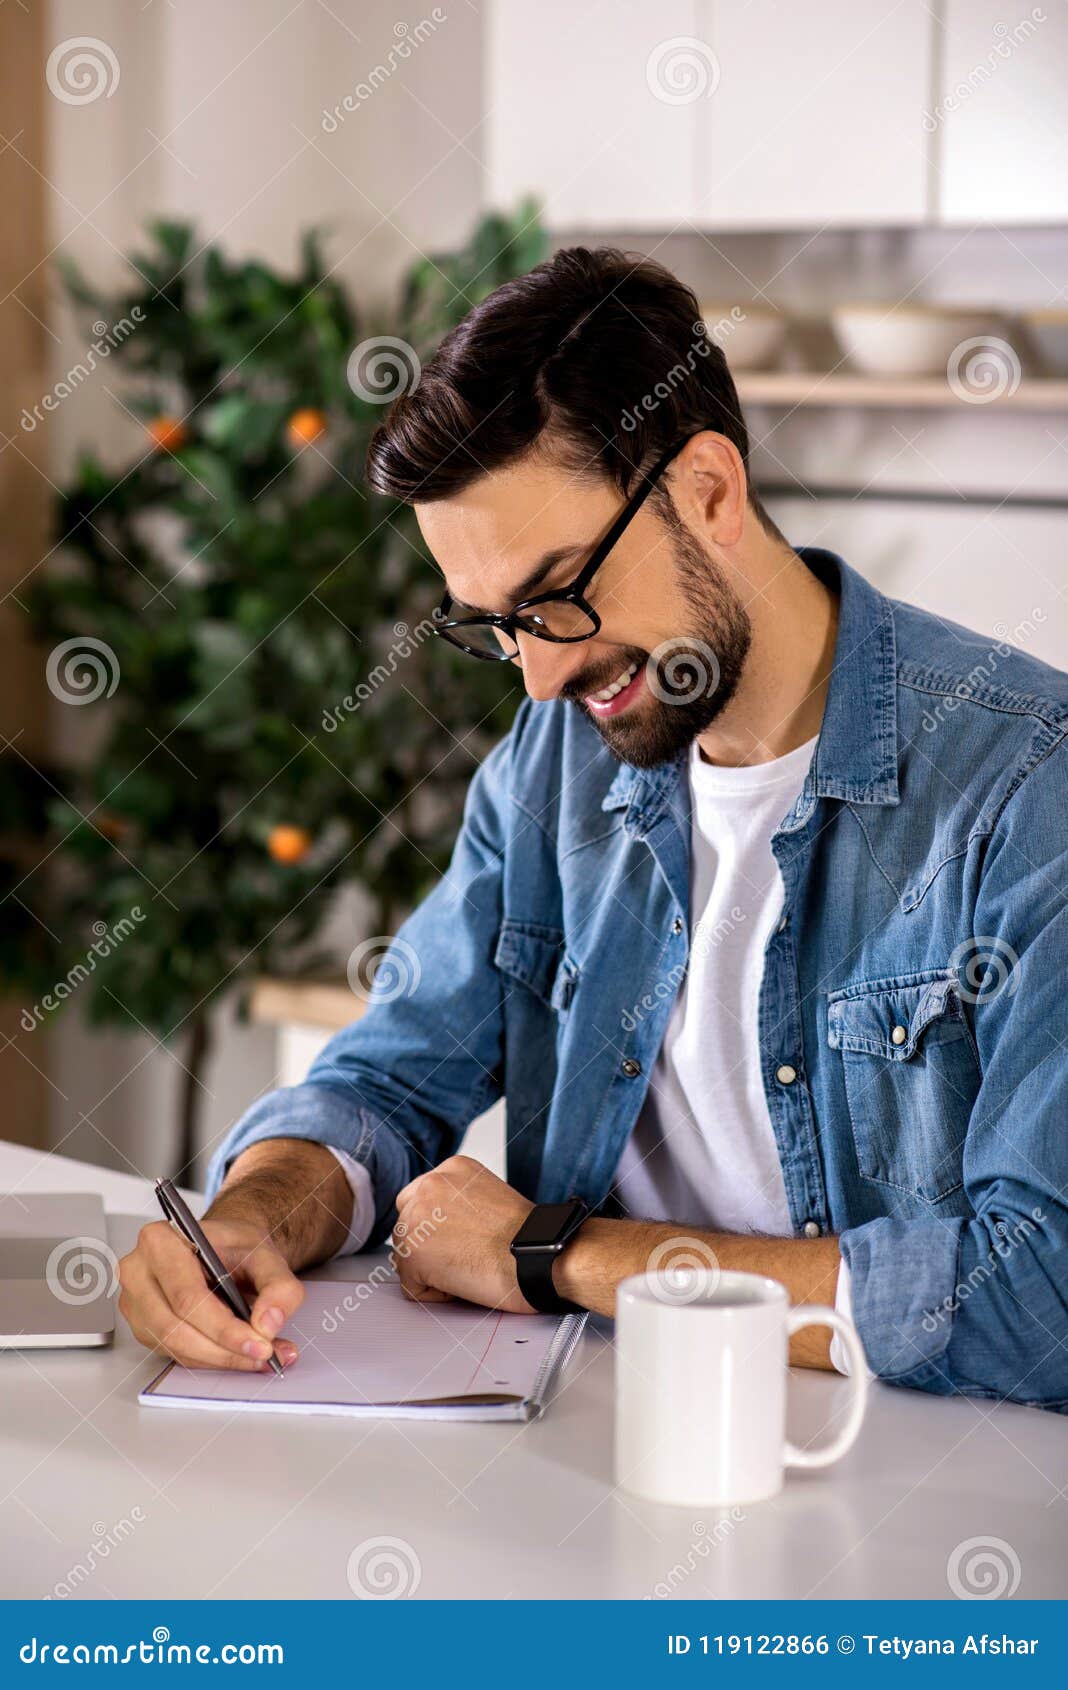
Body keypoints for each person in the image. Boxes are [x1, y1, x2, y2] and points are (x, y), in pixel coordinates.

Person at [119, 247, 1068, 1409]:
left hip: (900, 1477)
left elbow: (1044, 1295)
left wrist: (557, 1254)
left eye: (561, 593)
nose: (541, 677)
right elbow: (386, 1079)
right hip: (588, 1449)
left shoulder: (1028, 785)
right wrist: (252, 1216)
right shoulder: (554, 765)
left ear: (709, 490)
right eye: (496, 625)